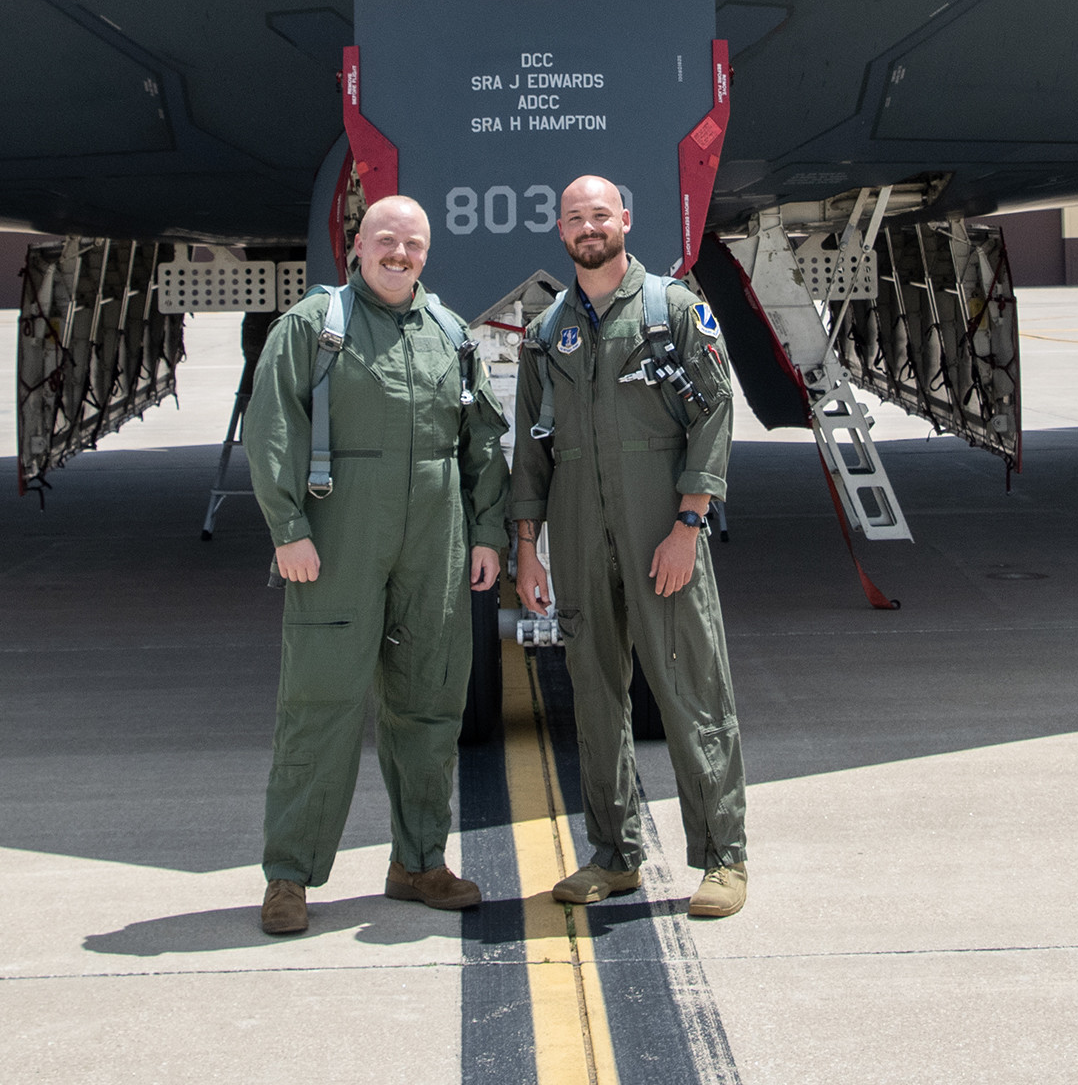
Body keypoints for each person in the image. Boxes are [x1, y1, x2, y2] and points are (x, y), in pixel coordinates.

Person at [245, 195, 509, 936]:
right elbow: (273, 430)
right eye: (386, 240)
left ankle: (419, 861)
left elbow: (482, 441)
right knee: (319, 706)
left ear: (427, 252)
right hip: (337, 537)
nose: (400, 254)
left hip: (436, 538)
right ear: (357, 245)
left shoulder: (451, 335)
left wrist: (487, 533)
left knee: (429, 708)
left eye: (413, 243)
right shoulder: (312, 327)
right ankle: (289, 875)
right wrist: (287, 529)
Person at [511, 175, 749, 919]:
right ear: (560, 229)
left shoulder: (672, 310)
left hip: (659, 530)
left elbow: (712, 415)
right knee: (594, 696)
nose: (589, 227)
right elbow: (532, 446)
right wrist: (527, 546)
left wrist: (688, 524)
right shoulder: (546, 330)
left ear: (626, 220)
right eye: (576, 217)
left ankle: (722, 857)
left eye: (600, 214)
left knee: (691, 689)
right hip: (579, 529)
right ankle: (612, 856)